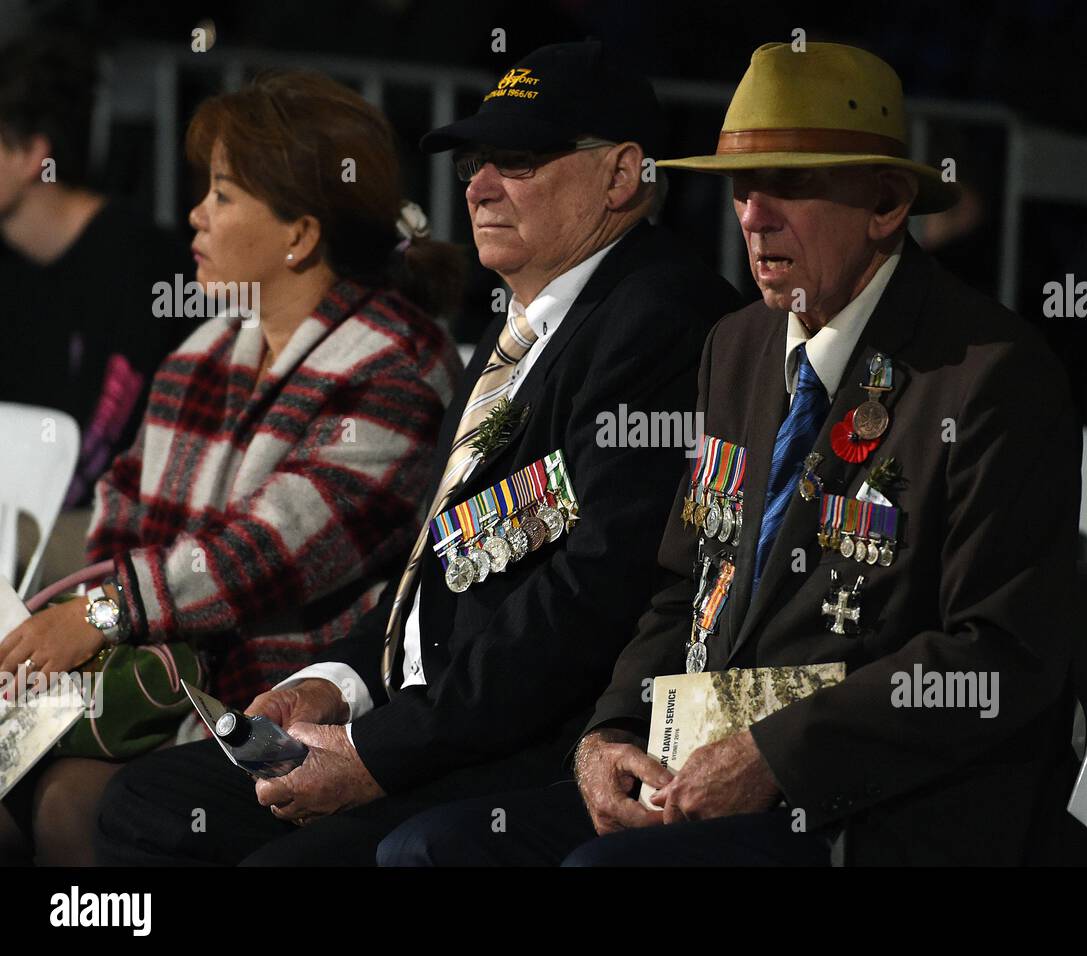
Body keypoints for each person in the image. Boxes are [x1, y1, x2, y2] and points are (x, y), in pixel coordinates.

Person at [378, 42, 1083, 867]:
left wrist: (780, 755)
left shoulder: (988, 373)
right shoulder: (738, 345)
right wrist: (611, 731)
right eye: (742, 188)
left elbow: (996, 656)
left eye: (790, 185)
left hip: (879, 811)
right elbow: (683, 585)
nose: (752, 216)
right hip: (703, 781)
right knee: (430, 852)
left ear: (887, 203)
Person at [94, 40, 741, 867]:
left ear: (621, 177)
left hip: (535, 743)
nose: (477, 186)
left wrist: (376, 753)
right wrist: (337, 683)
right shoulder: (528, 320)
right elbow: (432, 574)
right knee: (144, 805)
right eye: (476, 161)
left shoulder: (660, 317)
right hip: (428, 715)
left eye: (520, 160)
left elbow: (586, 607)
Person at [0, 69, 463, 865]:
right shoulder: (203, 350)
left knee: (70, 802)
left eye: (221, 194)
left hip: (275, 705)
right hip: (147, 683)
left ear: (300, 233)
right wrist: (85, 625)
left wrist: (106, 614)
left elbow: (273, 551)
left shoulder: (395, 364)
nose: (195, 217)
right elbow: (123, 507)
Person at [0, 32, 191, 507]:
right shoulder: (11, 260)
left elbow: (99, 452)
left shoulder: (136, 259)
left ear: (30, 156)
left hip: (105, 531)